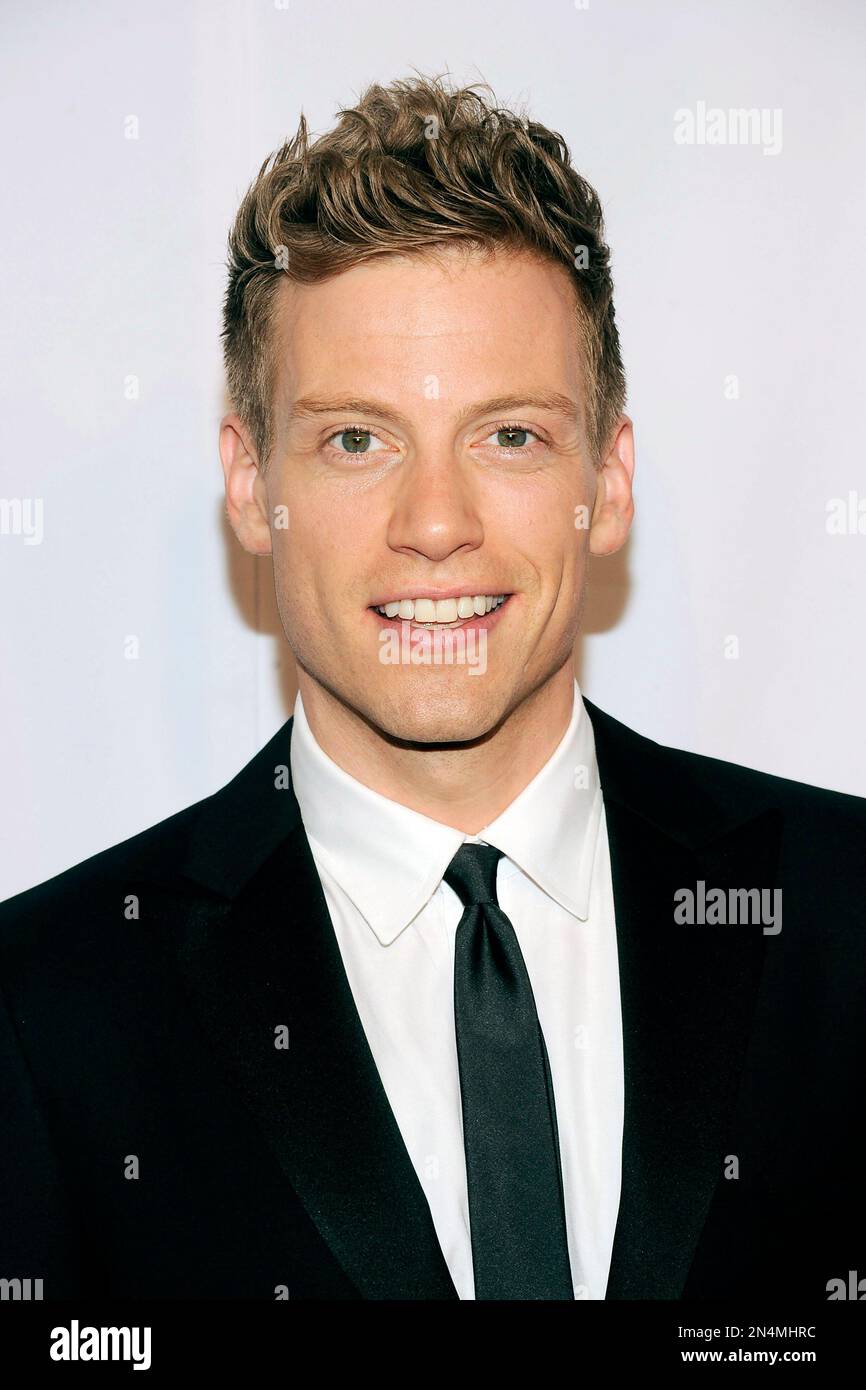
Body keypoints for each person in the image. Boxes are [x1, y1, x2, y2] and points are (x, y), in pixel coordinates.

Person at [1, 73, 863, 1302]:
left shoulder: (840, 916)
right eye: (357, 439)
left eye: (507, 434)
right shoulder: (50, 1013)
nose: (435, 524)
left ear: (607, 481)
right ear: (251, 487)